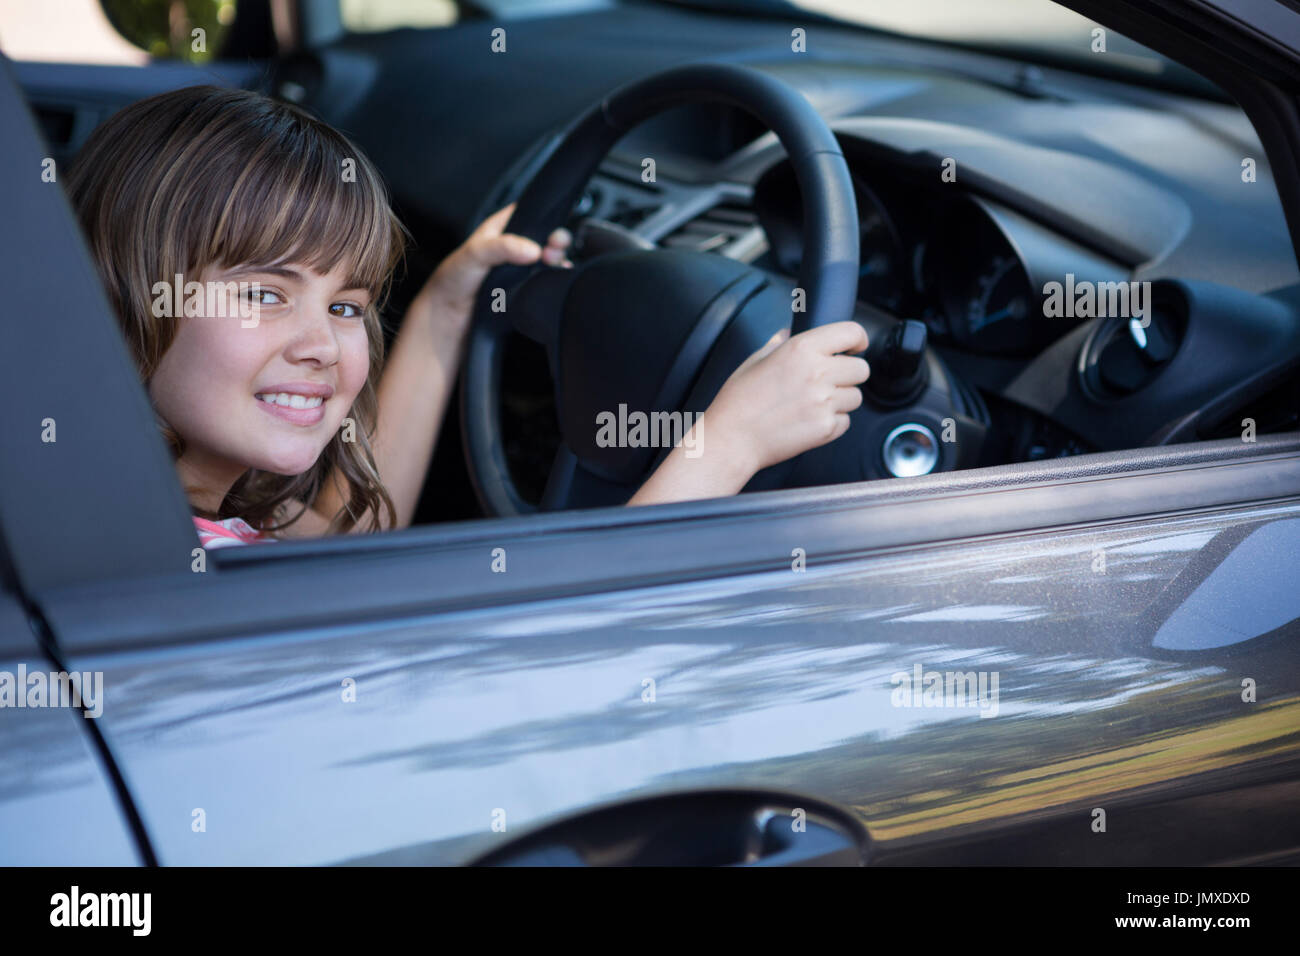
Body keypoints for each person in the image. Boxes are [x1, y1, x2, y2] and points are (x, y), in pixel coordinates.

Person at [66, 86, 868, 547]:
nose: (321, 345)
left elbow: (347, 553)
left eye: (347, 305)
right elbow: (563, 644)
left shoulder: (168, 507)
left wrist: (449, 306)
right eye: (267, 294)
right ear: (125, 296)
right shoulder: (171, 569)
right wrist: (725, 442)